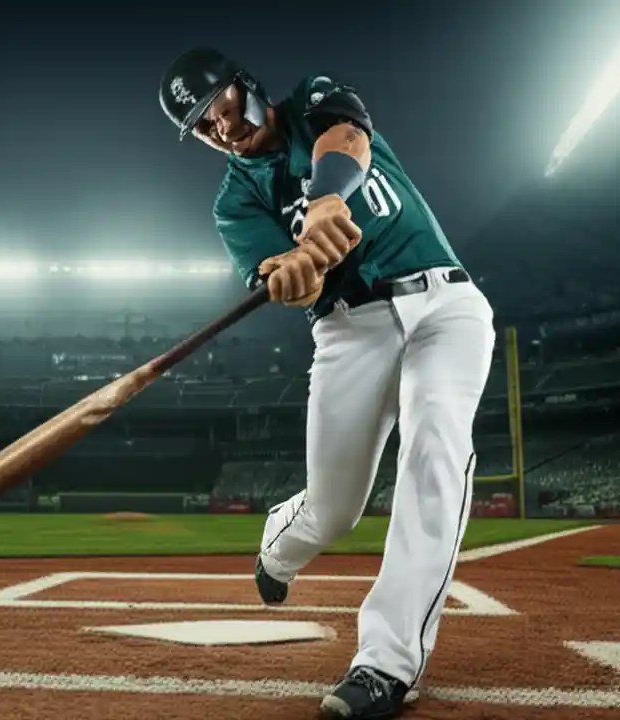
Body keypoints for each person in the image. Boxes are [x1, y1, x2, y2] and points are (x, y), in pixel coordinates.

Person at [159, 48, 495, 719]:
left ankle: (386, 662)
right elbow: (292, 278)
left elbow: (348, 138)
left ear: (246, 85)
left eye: (222, 106)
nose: (221, 127)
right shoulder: (235, 202)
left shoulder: (314, 100)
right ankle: (279, 548)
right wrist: (291, 273)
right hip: (350, 329)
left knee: (436, 447)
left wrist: (324, 201)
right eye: (203, 126)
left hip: (446, 305)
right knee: (336, 508)